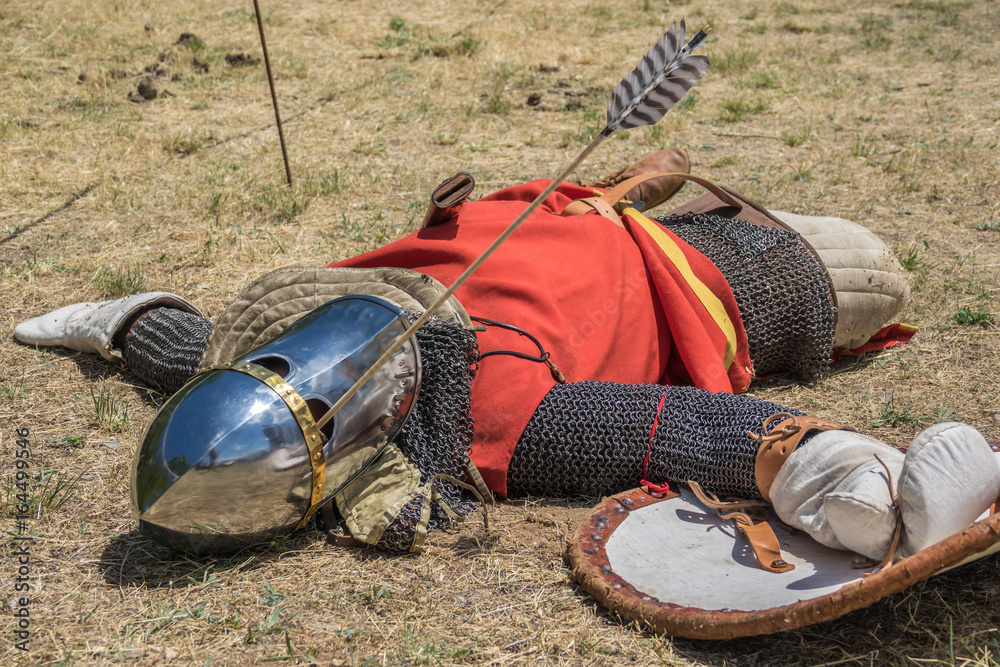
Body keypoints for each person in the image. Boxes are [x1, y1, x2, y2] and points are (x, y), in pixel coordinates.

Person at [14, 149, 1000, 566]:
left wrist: (117, 320)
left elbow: (171, 339)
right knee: (874, 274)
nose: (305, 369)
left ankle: (612, 192)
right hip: (748, 274)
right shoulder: (496, 421)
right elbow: (686, 427)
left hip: (606, 218)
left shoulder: (281, 330)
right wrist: (843, 471)